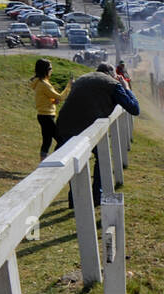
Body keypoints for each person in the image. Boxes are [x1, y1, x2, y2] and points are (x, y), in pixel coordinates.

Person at [54, 63, 140, 206]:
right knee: (102, 156)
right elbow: (134, 108)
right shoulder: (112, 84)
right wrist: (126, 87)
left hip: (64, 125)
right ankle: (96, 195)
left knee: (73, 162)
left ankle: (74, 199)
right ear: (111, 73)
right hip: (86, 127)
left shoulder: (82, 78)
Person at [29, 58, 70, 162]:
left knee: (47, 141)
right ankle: (55, 161)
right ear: (45, 70)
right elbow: (60, 97)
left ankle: (43, 163)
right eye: (50, 68)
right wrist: (69, 86)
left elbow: (43, 97)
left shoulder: (39, 82)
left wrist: (52, 100)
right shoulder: (44, 84)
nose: (51, 71)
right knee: (61, 140)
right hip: (47, 116)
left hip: (42, 115)